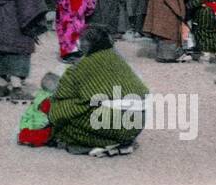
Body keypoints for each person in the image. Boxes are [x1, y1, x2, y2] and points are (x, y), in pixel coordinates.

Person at [45, 25, 149, 156]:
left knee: (59, 110)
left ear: (86, 44)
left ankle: (100, 142)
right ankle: (122, 141)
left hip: (107, 123)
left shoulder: (80, 67)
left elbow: (61, 96)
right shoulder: (120, 61)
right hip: (136, 123)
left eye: (81, 41)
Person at [16, 70, 60, 147]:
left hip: (28, 124)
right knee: (49, 130)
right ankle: (36, 140)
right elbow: (52, 113)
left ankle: (24, 137)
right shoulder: (48, 99)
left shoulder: (40, 95)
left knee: (28, 131)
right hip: (38, 126)